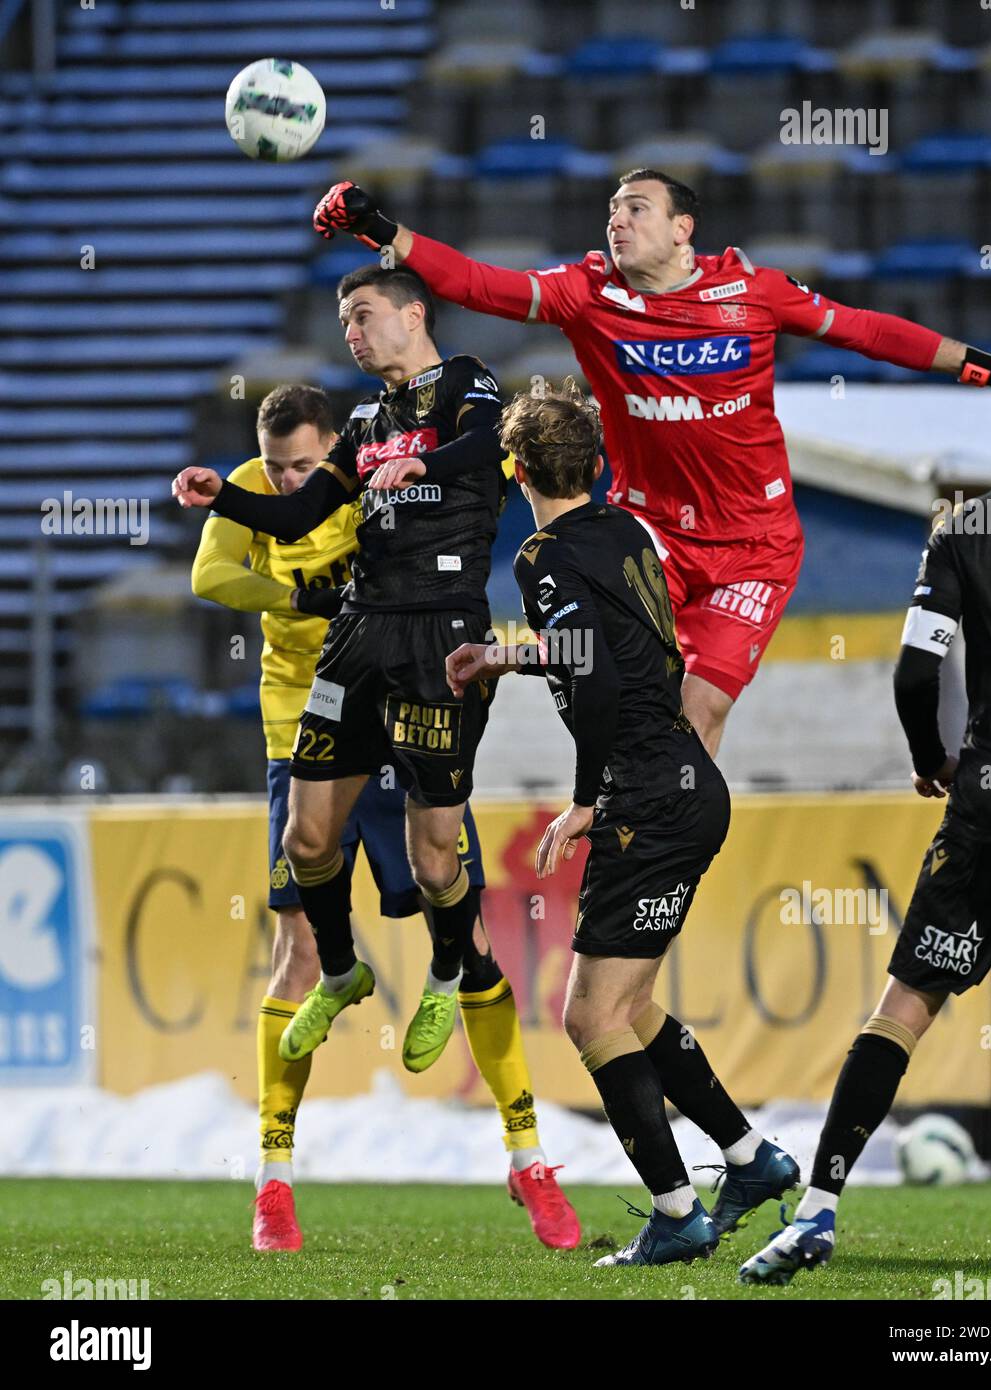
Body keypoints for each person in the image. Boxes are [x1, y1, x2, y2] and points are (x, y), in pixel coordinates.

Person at [314, 169, 991, 757]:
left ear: (683, 228)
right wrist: (381, 230)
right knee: (609, 677)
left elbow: (867, 331)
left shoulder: (750, 291)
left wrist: (984, 369)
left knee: (697, 715)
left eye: (636, 208)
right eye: (610, 212)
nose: (616, 222)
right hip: (649, 531)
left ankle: (664, 858)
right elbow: (479, 284)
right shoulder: (588, 293)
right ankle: (600, 799)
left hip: (754, 547)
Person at [177, 276, 579, 1250]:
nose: (352, 331)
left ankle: (518, 1134)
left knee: (441, 867)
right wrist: (220, 493)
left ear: (414, 315)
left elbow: (489, 451)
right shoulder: (362, 422)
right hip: (358, 635)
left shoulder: (471, 389)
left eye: (365, 315)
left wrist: (424, 471)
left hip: (441, 638)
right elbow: (298, 510)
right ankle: (347, 974)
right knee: (305, 836)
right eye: (343, 320)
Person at [739, 334, 991, 1288]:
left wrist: (932, 763)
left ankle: (815, 1211)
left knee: (902, 1010)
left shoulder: (964, 527)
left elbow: (914, 673)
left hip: (990, 812)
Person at [446, 381, 799, 1267]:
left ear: (515, 468)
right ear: (597, 465)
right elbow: (614, 648)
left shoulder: (539, 556)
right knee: (631, 1008)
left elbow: (598, 678)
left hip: (646, 794)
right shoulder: (627, 531)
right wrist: (505, 655)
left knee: (590, 1015)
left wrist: (587, 796)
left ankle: (677, 1213)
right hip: (685, 780)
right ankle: (752, 1161)